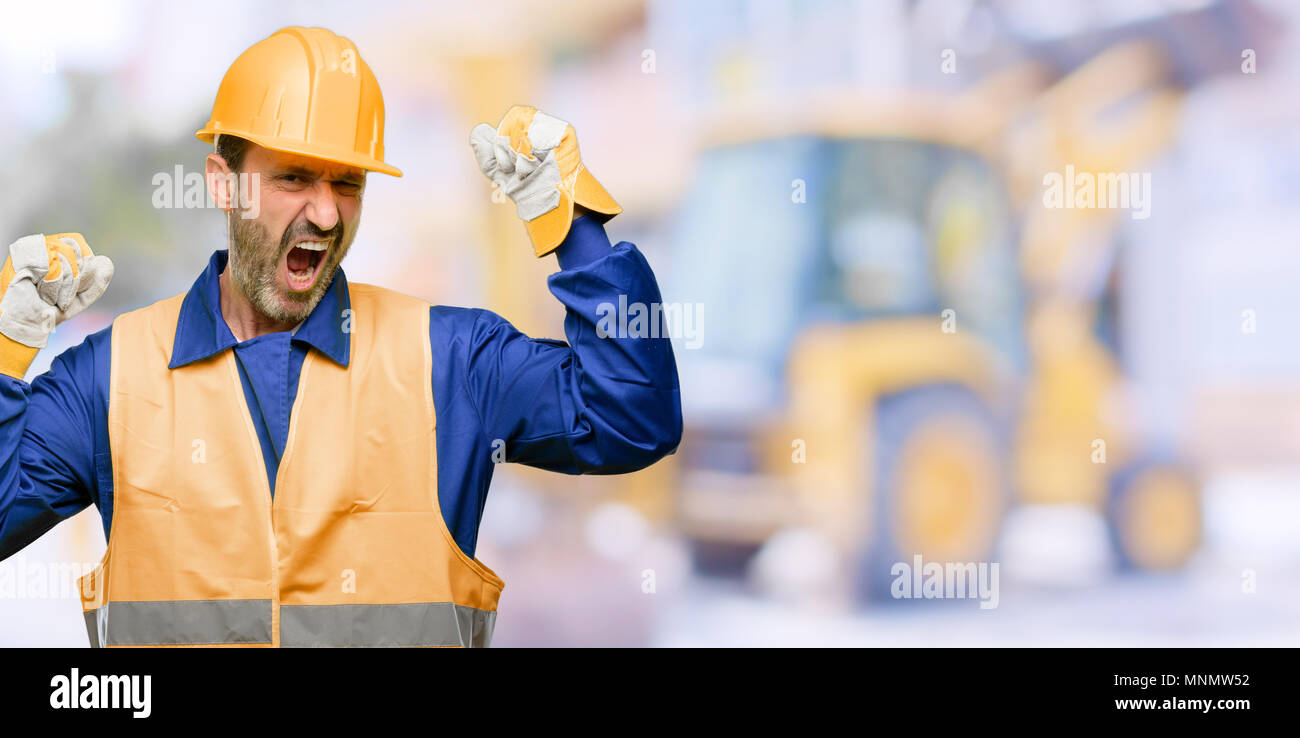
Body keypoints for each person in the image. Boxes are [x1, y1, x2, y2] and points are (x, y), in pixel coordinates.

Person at [0, 26, 682, 648]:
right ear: (222, 183)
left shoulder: (449, 361)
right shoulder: (109, 378)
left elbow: (629, 417)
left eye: (347, 183)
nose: (325, 212)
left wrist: (574, 229)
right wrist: (4, 353)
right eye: (294, 177)